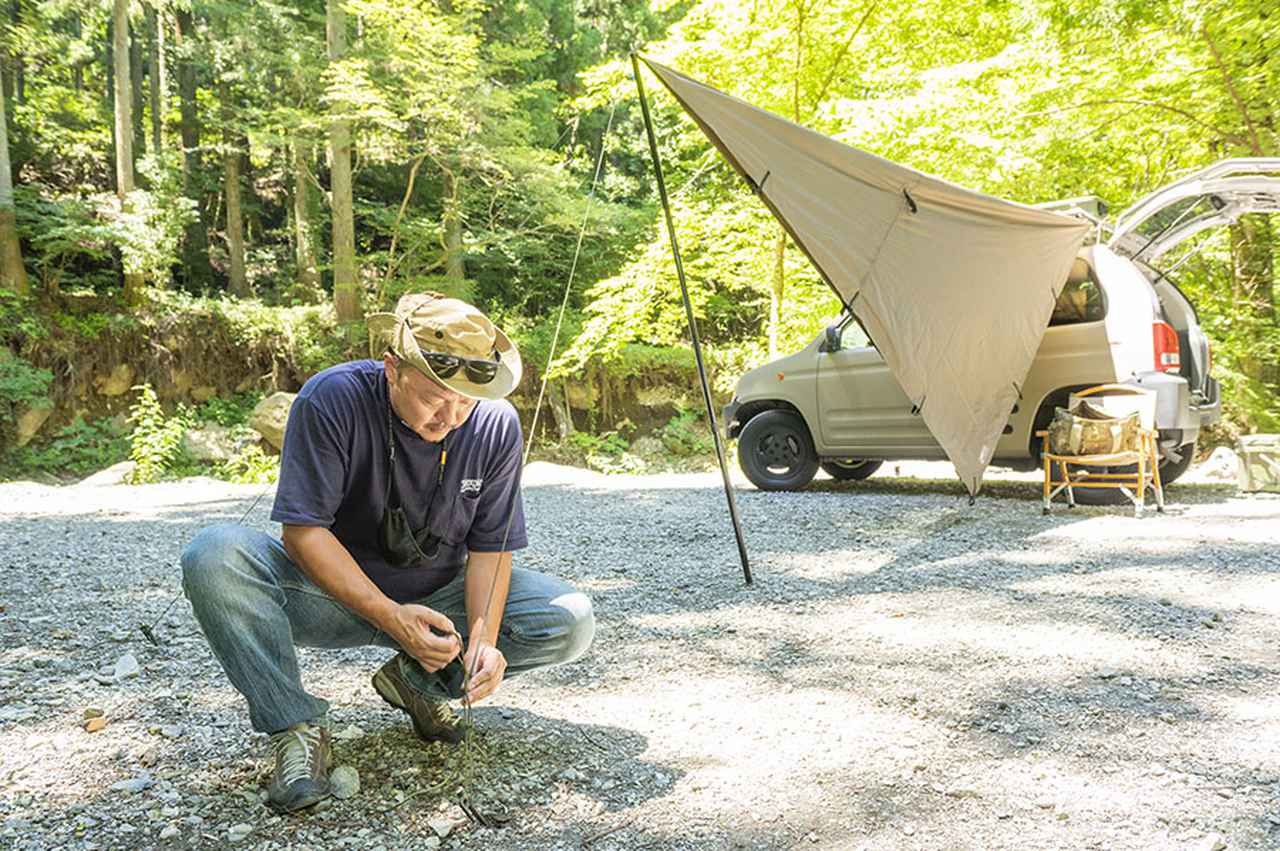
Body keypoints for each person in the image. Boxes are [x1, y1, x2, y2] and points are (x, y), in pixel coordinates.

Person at [180, 292, 594, 813]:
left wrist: (483, 642)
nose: (450, 417)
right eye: (434, 399)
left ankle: (419, 683)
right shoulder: (331, 398)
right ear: (392, 368)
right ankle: (296, 728)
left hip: (438, 597)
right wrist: (389, 616)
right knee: (213, 555)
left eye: (465, 401)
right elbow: (302, 533)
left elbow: (491, 548)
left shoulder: (495, 423)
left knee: (569, 619)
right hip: (330, 593)